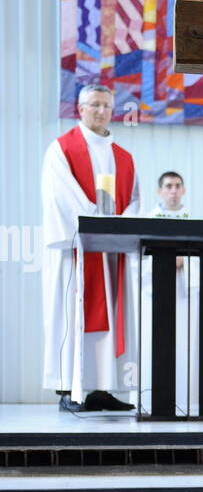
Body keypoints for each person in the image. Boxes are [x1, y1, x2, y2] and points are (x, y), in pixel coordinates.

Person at [41, 84, 141, 413]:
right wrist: (97, 222)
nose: (100, 111)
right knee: (74, 314)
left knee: (112, 317)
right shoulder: (62, 149)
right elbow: (61, 194)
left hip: (111, 255)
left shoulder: (124, 158)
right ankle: (72, 390)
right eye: (94, 105)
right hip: (77, 253)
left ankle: (101, 388)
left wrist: (119, 226)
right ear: (80, 109)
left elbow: (136, 201)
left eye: (106, 106)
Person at [142, 172, 199, 416]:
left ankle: (185, 401)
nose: (173, 191)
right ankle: (149, 400)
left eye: (177, 186)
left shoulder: (193, 220)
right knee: (153, 343)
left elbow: (202, 254)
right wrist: (164, 261)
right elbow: (138, 259)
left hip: (185, 292)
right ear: (159, 191)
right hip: (154, 291)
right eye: (168, 186)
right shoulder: (148, 220)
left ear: (183, 190)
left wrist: (184, 260)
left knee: (185, 343)